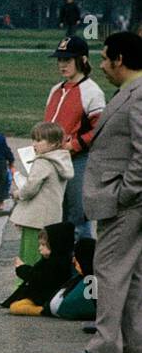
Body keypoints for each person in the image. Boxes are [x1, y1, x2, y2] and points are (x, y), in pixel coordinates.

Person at [68, 31, 142, 353]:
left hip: (124, 200)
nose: (101, 65)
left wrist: (126, 191)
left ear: (120, 60)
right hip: (125, 198)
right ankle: (133, 340)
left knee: (109, 267)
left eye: (104, 57)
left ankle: (105, 344)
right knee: (133, 270)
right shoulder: (129, 92)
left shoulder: (137, 95)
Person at [45, 36, 106, 240]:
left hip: (79, 160)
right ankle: (63, 265)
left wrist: (75, 145)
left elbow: (99, 130)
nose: (62, 65)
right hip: (54, 160)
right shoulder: (56, 90)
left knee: (78, 216)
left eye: (68, 60)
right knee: (58, 213)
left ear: (83, 60)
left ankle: (83, 266)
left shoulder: (91, 92)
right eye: (60, 60)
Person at [11, 121, 73, 264]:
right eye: (33, 140)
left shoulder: (42, 162)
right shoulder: (62, 161)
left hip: (35, 218)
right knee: (45, 255)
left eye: (39, 140)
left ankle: (26, 283)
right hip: (52, 216)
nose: (34, 144)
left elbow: (29, 189)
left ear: (53, 143)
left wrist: (17, 193)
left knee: (28, 256)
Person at [1, 222, 75, 315]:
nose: (40, 248)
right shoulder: (51, 259)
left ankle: (43, 310)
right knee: (16, 305)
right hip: (41, 296)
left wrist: (21, 268)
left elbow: (37, 277)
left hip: (46, 297)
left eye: (44, 245)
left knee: (16, 307)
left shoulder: (58, 262)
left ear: (56, 244)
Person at [49, 238, 98, 320]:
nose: (73, 260)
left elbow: (72, 306)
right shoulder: (78, 278)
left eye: (76, 256)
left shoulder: (91, 280)